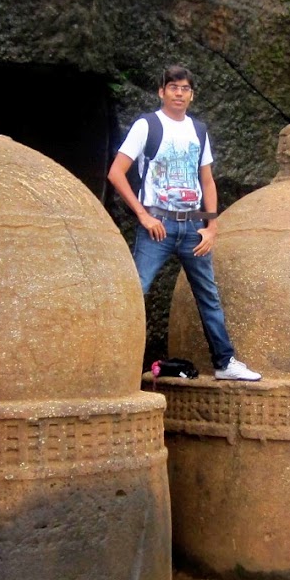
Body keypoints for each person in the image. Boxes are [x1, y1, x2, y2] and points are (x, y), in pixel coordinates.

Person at [106, 64, 260, 382]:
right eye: (173, 87)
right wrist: (143, 215)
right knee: (137, 291)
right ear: (161, 91)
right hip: (157, 225)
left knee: (208, 295)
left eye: (185, 88)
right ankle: (115, 362)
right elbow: (116, 172)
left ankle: (225, 361)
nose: (179, 93)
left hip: (192, 226)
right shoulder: (147, 125)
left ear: (192, 94)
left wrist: (211, 226)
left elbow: (207, 180)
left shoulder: (198, 130)